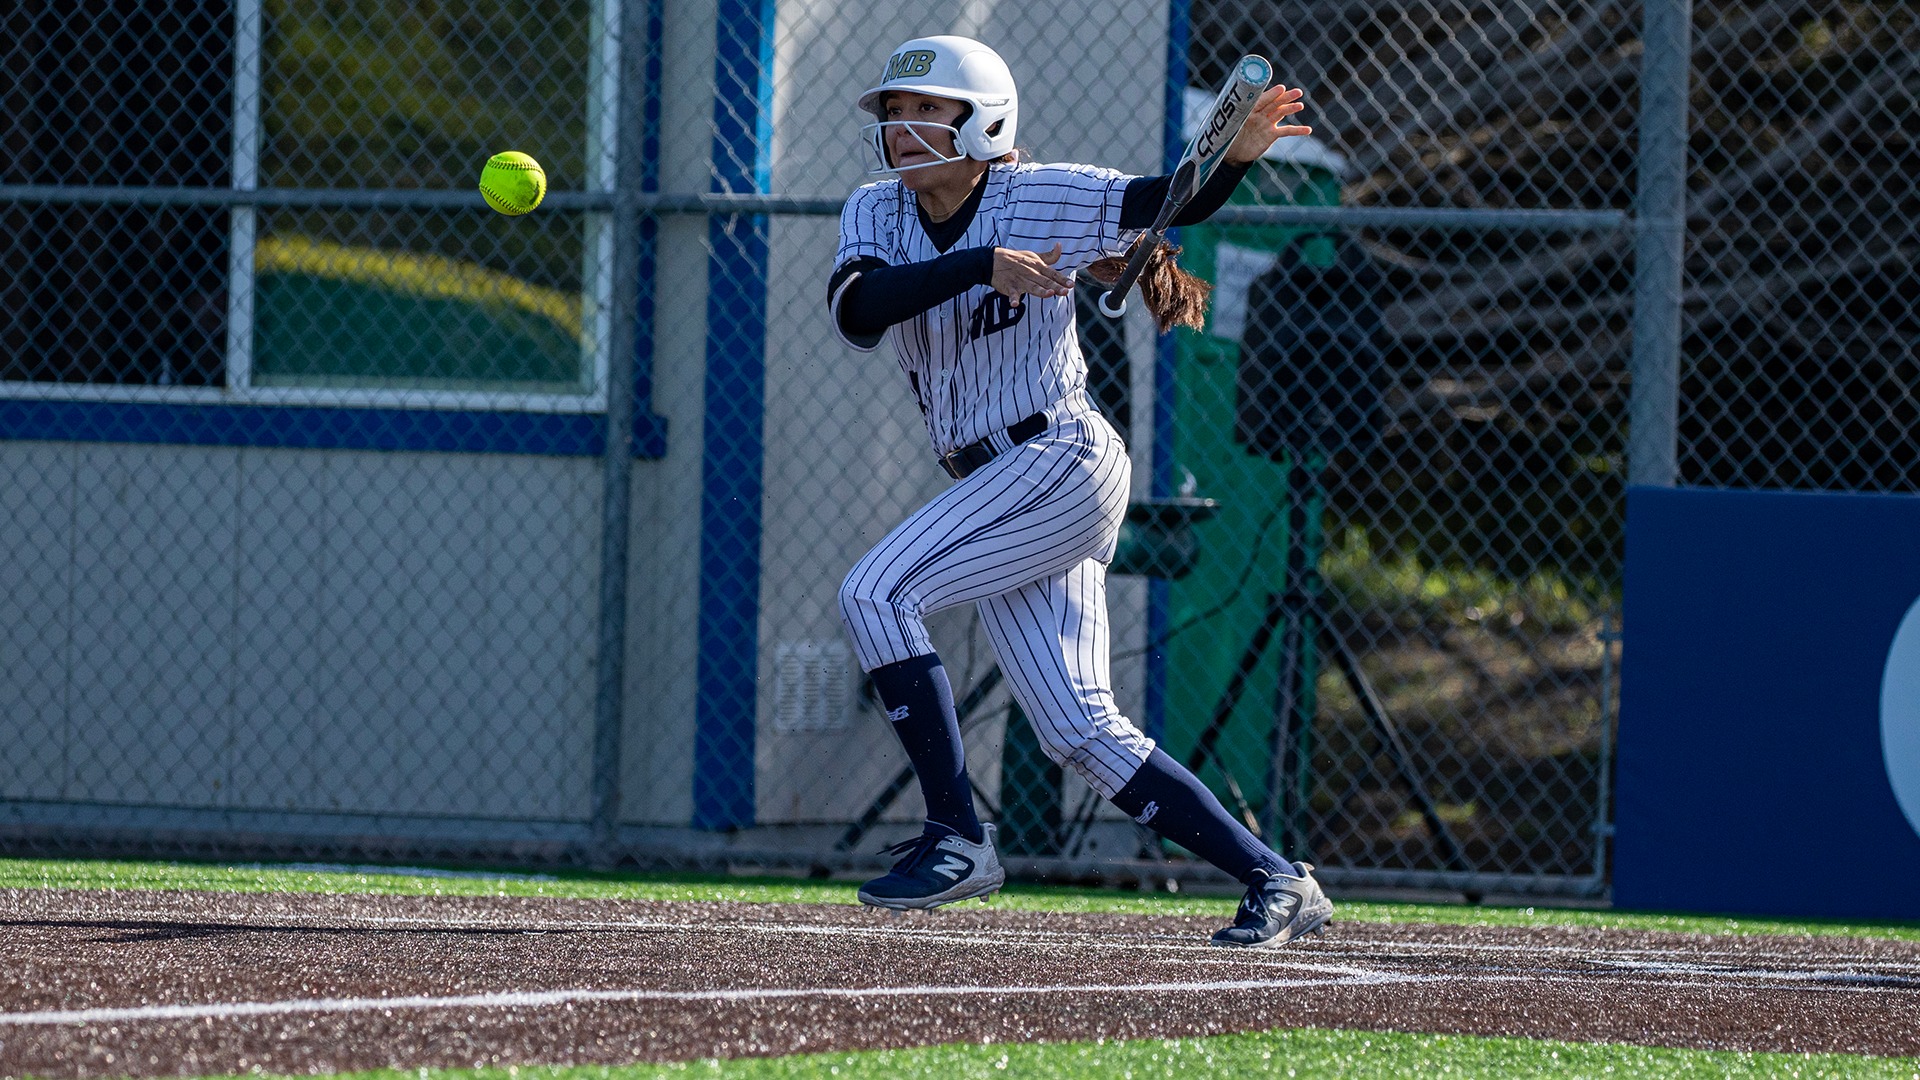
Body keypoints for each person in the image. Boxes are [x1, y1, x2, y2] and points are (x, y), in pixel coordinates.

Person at [829, 35, 1331, 947]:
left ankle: (955, 836)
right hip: (992, 484)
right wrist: (981, 265)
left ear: (983, 121)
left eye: (926, 111)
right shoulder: (876, 210)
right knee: (1078, 729)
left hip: (1057, 458)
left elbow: (1162, 203)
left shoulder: (1037, 191)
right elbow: (858, 311)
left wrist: (1233, 159)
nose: (904, 129)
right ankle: (1277, 879)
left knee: (876, 590)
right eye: (895, 114)